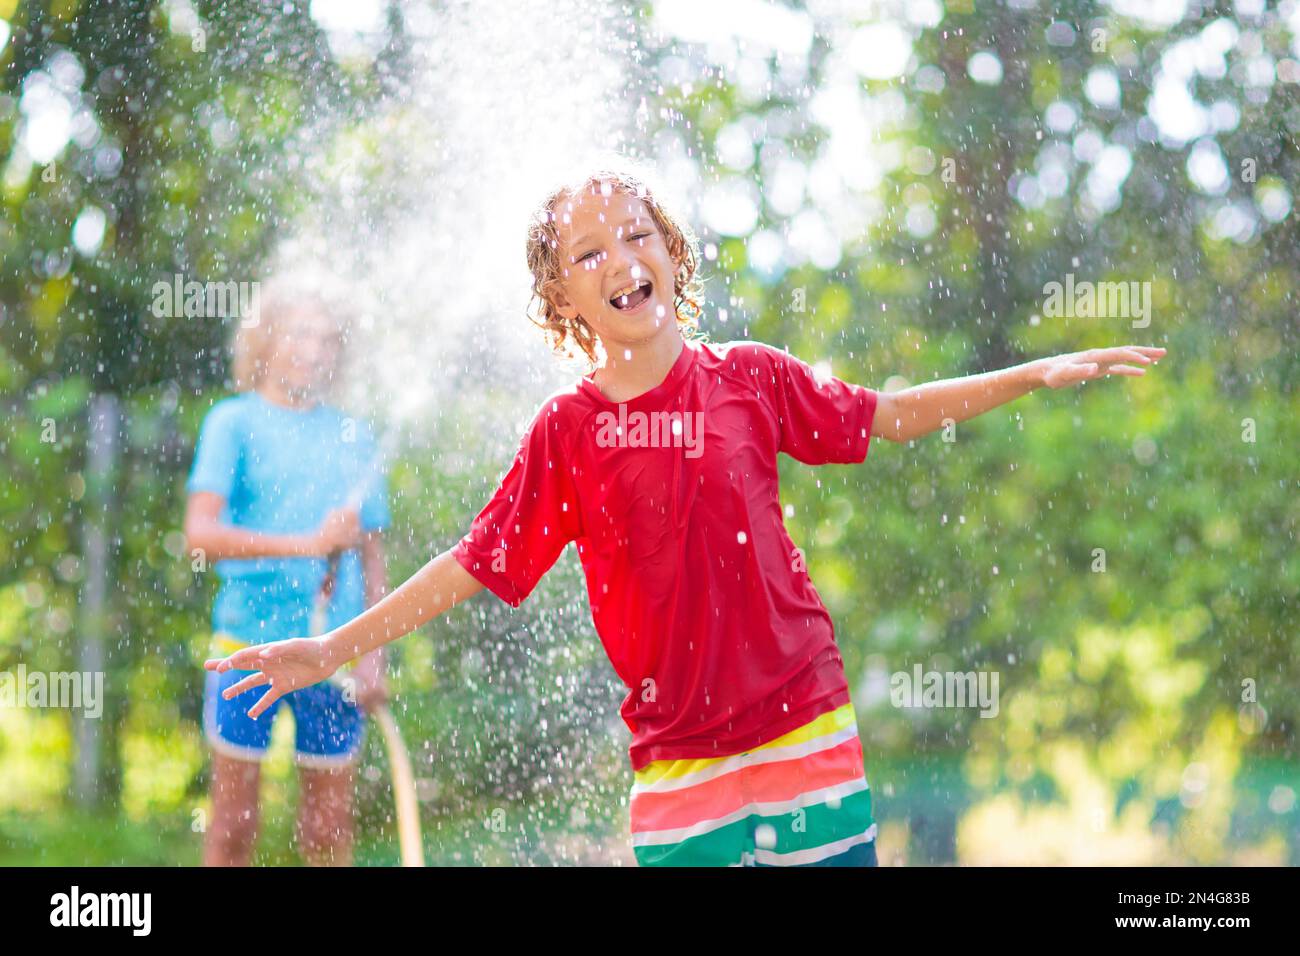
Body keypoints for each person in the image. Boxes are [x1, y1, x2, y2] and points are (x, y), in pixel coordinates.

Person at [205, 163, 1167, 866]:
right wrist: (333, 648)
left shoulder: (749, 380)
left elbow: (891, 414)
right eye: (590, 253)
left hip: (805, 727)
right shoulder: (568, 433)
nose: (621, 257)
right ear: (564, 298)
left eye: (637, 233)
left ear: (670, 252)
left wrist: (1035, 373)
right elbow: (473, 561)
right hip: (675, 765)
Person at [185, 285, 391, 866]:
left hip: (335, 651)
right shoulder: (233, 422)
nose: (315, 350)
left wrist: (374, 654)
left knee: (328, 829)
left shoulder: (354, 433)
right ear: (264, 340)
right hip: (244, 649)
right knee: (233, 824)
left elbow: (373, 557)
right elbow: (200, 536)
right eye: (300, 333)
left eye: (327, 339)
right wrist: (307, 545)